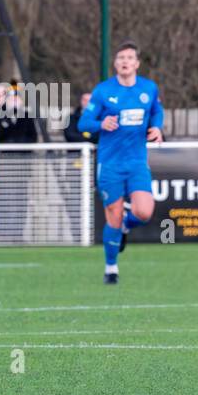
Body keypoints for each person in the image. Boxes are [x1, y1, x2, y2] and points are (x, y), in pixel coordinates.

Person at [78, 41, 164, 284]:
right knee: (112, 216)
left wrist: (156, 127)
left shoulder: (149, 88)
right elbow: (83, 123)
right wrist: (100, 124)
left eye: (129, 58)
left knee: (144, 211)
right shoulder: (103, 91)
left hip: (136, 162)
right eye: (120, 58)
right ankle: (111, 267)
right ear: (115, 64)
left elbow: (157, 111)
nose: (125, 61)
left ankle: (128, 224)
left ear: (136, 63)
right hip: (110, 164)